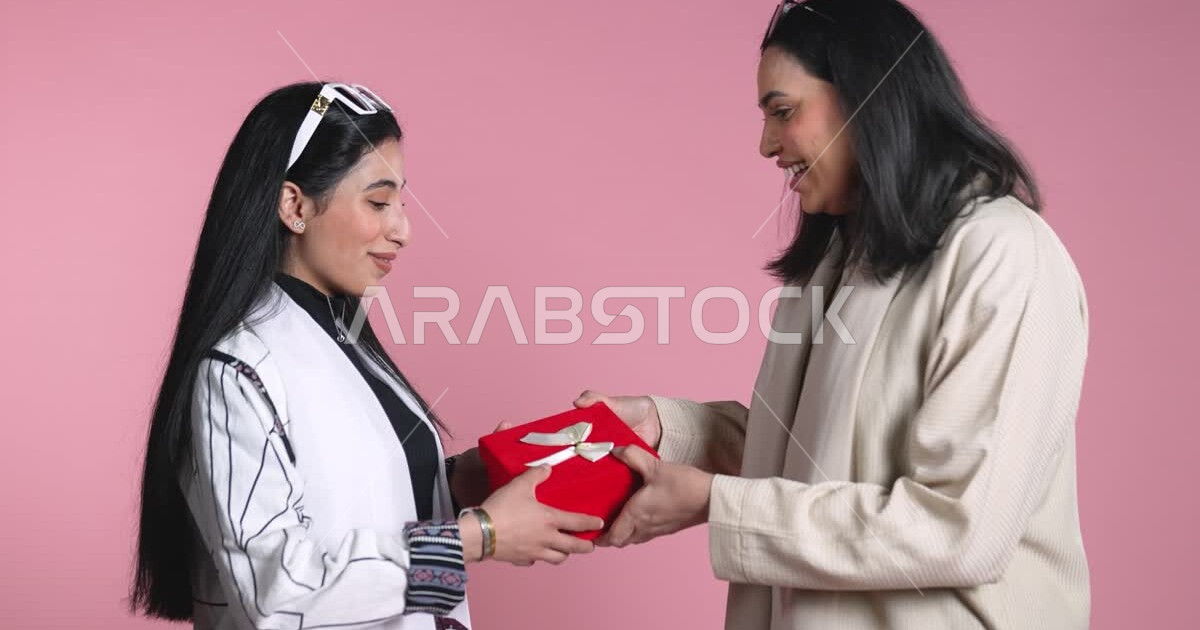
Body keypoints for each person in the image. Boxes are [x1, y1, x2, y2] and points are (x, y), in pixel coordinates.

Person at [576, 0, 1090, 628]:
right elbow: (820, 457)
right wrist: (667, 427)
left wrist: (717, 503)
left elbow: (959, 528)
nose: (767, 145)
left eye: (783, 112)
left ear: (869, 95)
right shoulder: (842, 258)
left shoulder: (1004, 256)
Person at [131, 81, 602, 630]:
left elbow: (349, 499)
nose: (402, 229)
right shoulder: (236, 369)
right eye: (378, 202)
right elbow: (275, 594)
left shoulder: (346, 340)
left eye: (401, 202)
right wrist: (481, 536)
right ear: (294, 204)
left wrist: (466, 479)